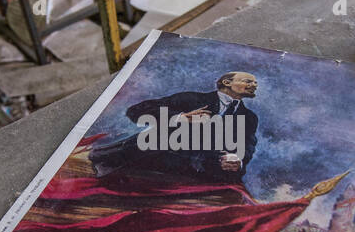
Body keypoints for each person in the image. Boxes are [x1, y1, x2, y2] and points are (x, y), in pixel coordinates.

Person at [92, 72, 259, 184]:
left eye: (255, 83)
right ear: (227, 82)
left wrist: (239, 161)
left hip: (202, 174)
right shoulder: (191, 99)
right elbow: (136, 111)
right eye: (248, 81)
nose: (254, 85)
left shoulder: (250, 118)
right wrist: (180, 118)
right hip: (153, 163)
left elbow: (247, 147)